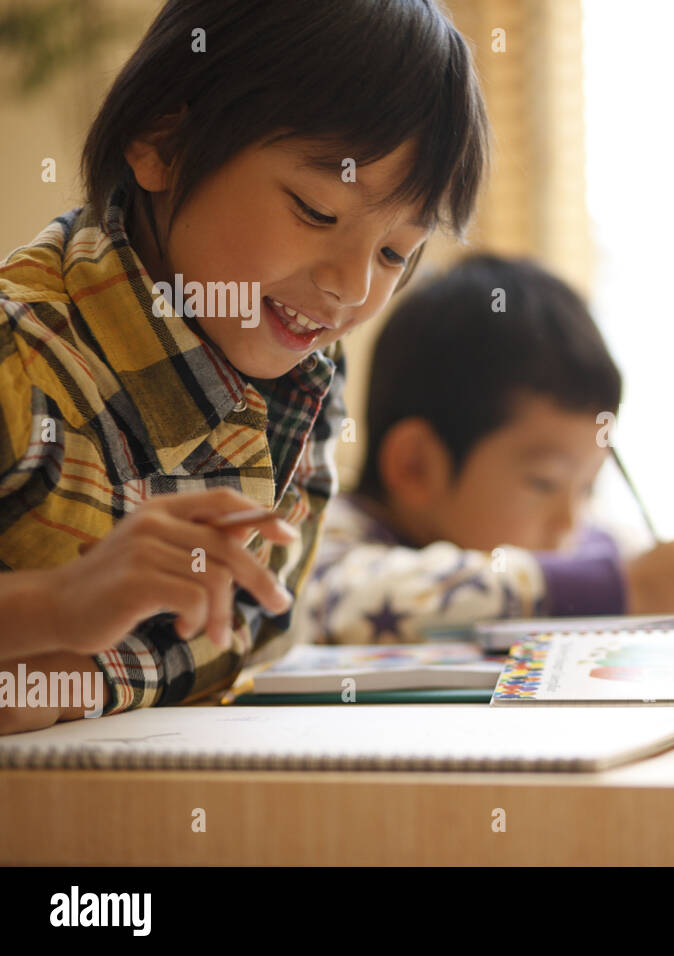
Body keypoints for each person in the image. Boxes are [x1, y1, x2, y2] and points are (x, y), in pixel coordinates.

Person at [0, 0, 488, 734]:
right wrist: (60, 607)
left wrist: (81, 678)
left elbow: (245, 643)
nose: (352, 287)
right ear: (162, 137)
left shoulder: (307, 369)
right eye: (316, 211)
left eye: (394, 253)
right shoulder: (20, 361)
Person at [292, 254, 674, 644]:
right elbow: (324, 599)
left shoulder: (576, 534)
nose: (570, 522)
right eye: (544, 483)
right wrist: (619, 588)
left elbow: (621, 554)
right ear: (415, 466)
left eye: (586, 488)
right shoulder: (322, 540)